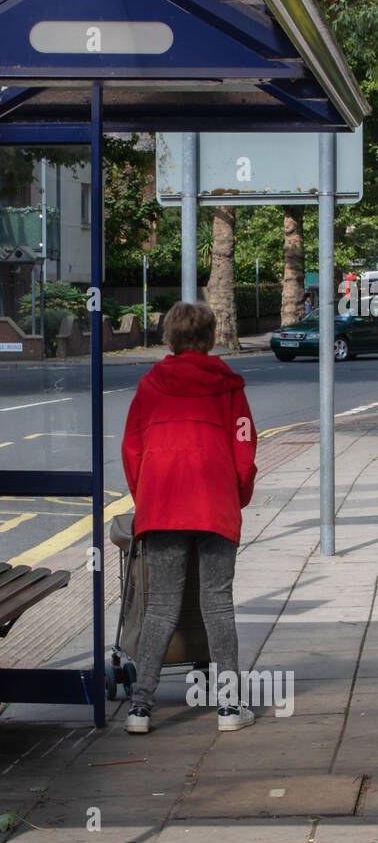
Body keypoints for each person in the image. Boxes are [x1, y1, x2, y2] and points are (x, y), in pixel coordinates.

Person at [120, 301, 258, 734]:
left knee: (160, 605)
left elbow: (131, 450)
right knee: (217, 602)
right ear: (211, 338)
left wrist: (146, 497)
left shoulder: (149, 386)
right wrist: (236, 496)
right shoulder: (229, 387)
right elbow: (245, 448)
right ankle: (230, 708)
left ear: (170, 339)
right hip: (213, 501)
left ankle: (141, 708)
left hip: (162, 505)